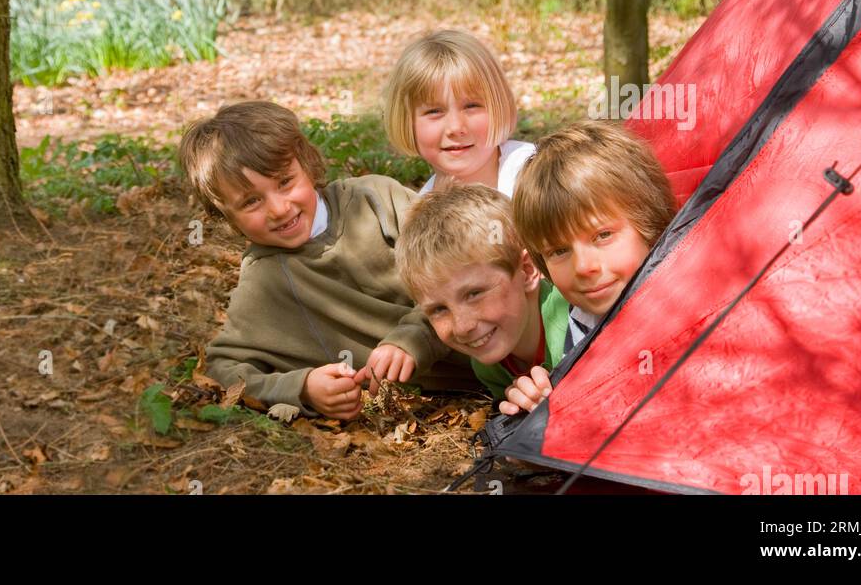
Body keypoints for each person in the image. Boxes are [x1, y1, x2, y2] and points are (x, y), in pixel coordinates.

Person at [178, 100, 476, 421]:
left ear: (306, 164)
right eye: (251, 201)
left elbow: (465, 262)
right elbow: (222, 369)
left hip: (506, 338)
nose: (279, 209)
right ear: (226, 215)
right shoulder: (262, 282)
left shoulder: (376, 199)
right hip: (477, 384)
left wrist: (415, 337)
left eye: (285, 182)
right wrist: (302, 387)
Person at [503, 118, 678, 415]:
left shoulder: (693, 301)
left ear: (650, 224)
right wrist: (539, 402)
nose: (583, 267)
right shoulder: (580, 321)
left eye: (603, 235)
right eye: (559, 251)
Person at [395, 182, 570, 415]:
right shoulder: (488, 363)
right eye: (439, 309)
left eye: (474, 294)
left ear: (527, 271)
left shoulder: (575, 324)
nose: (463, 326)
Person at [382, 28, 535, 197]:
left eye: (471, 106)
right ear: (407, 122)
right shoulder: (424, 206)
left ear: (500, 106)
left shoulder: (538, 175)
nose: (455, 127)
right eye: (434, 111)